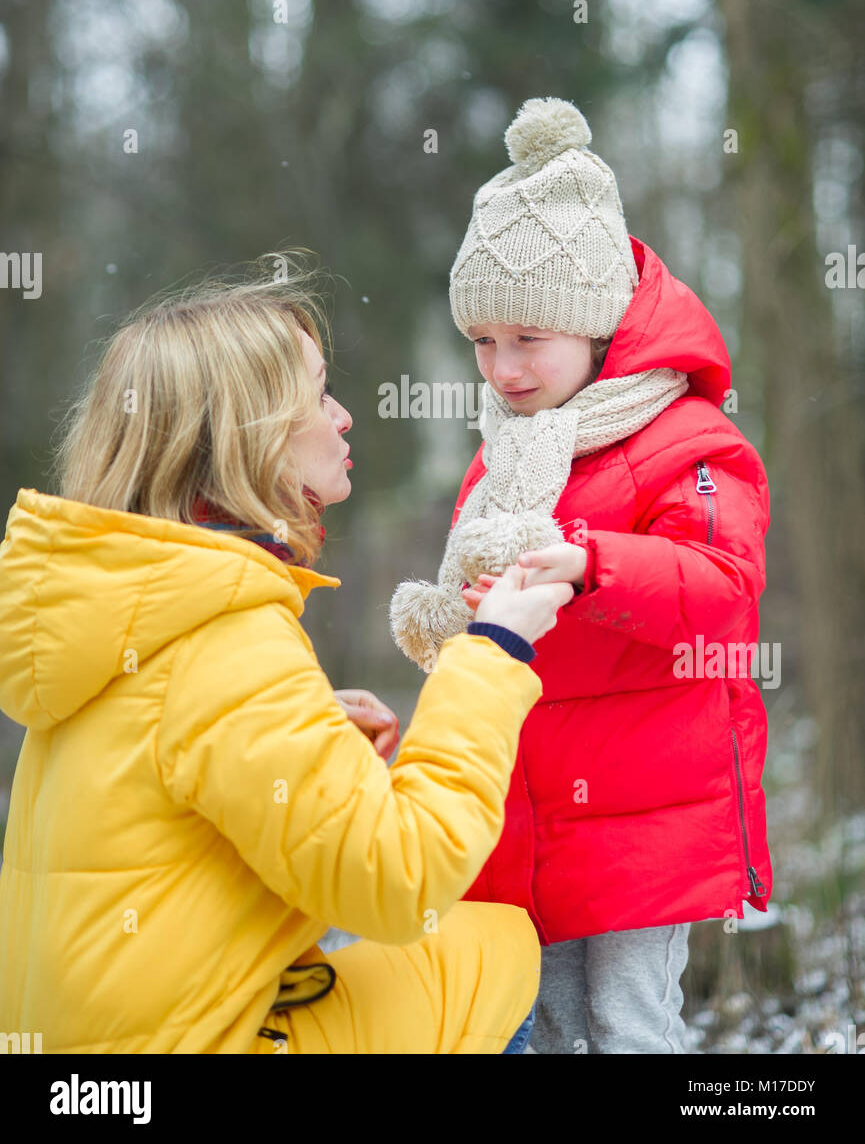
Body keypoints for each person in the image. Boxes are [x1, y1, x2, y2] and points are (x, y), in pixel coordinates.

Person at [0, 257, 574, 1054]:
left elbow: (162, 768)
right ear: (249, 432)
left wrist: (316, 738)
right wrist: (493, 650)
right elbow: (399, 881)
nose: (342, 417)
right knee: (492, 950)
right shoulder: (222, 636)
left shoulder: (115, 605)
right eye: (316, 394)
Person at [390, 97, 773, 1054]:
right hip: (533, 803)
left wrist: (591, 563)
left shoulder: (685, 437)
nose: (503, 368)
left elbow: (723, 585)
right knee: (552, 1024)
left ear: (595, 325)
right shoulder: (507, 451)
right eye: (483, 342)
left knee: (629, 1023)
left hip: (645, 798)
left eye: (528, 339)